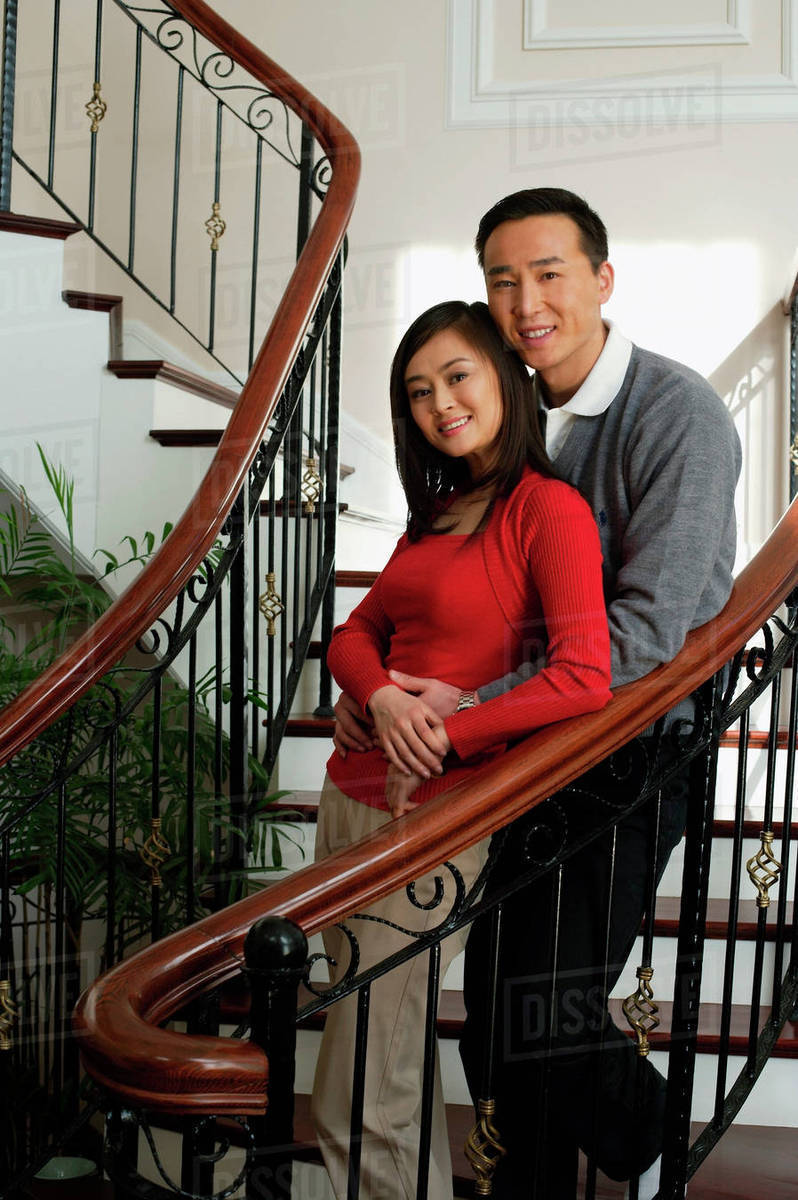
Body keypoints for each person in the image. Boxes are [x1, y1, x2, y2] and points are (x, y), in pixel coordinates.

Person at [332, 189, 742, 1197]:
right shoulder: (510, 425)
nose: (526, 300)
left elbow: (638, 639)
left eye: (549, 273)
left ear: (602, 280)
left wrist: (454, 712)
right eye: (503, 280)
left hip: (635, 749)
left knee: (543, 1015)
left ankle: (652, 1143)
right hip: (533, 748)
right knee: (501, 1022)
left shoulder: (675, 414)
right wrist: (383, 689)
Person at [311, 297, 612, 1200]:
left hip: (434, 813)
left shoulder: (547, 510)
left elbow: (583, 677)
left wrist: (440, 727)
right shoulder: (435, 513)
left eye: (457, 375)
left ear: (507, 379)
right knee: (382, 1063)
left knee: (358, 1092)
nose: (439, 403)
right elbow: (355, 633)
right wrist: (375, 695)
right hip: (350, 794)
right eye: (416, 391)